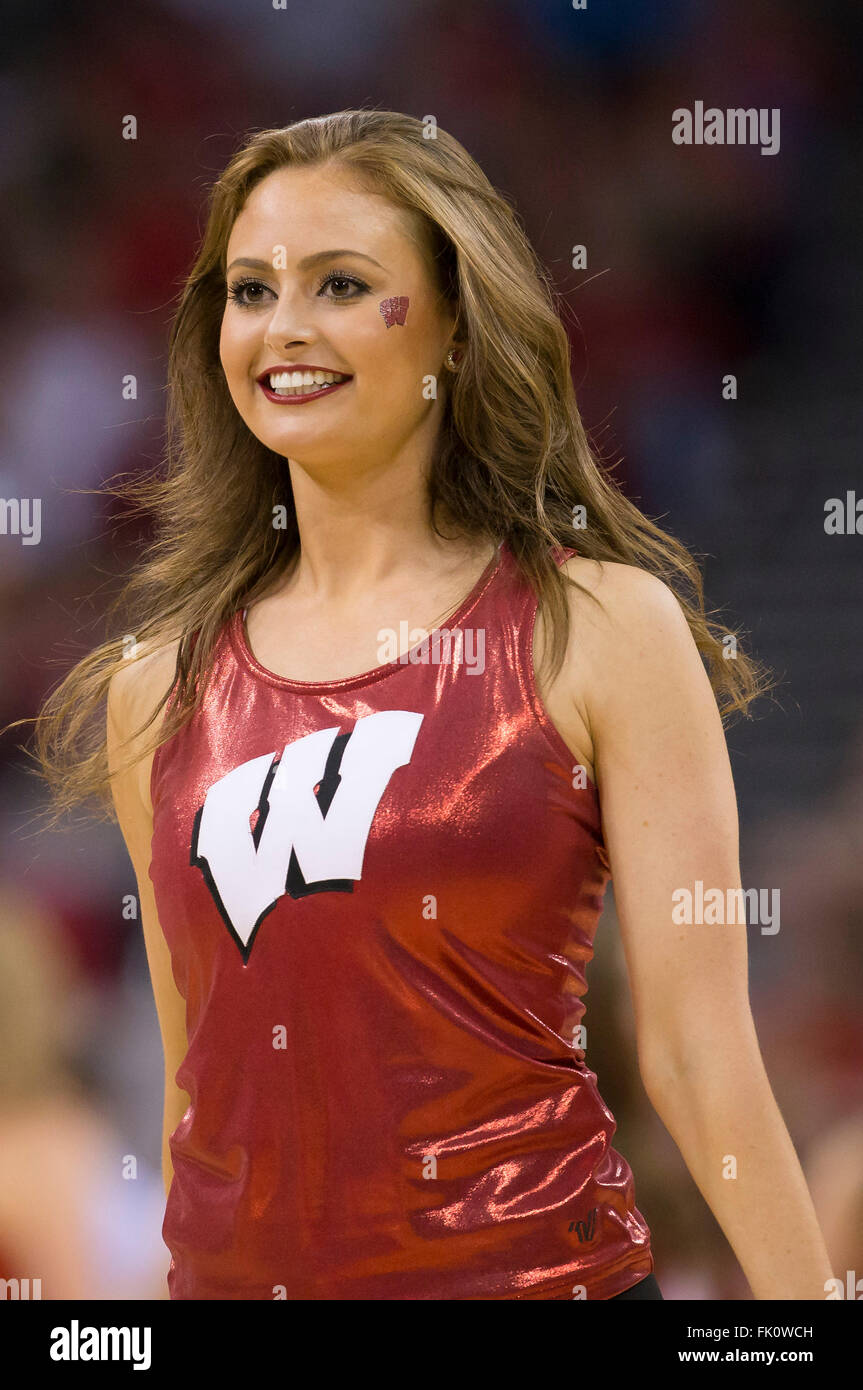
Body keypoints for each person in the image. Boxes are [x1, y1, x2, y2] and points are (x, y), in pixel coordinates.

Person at [27, 109, 834, 1300]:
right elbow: (199, 1088)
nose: (283, 327)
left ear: (453, 325)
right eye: (251, 291)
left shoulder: (599, 626)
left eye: (341, 283)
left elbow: (695, 1053)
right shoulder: (163, 680)